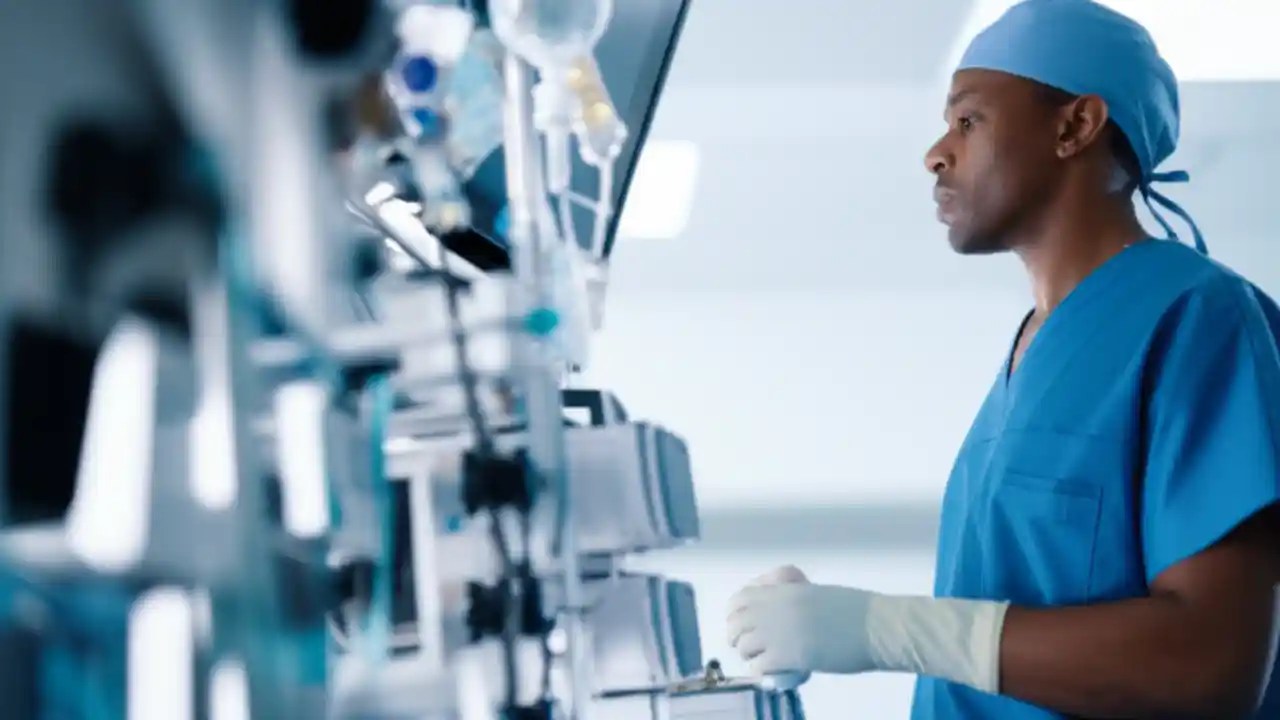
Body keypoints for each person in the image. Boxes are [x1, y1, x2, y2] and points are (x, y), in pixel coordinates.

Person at [724, 1, 1280, 718]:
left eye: (968, 120)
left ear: (1075, 126)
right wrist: (817, 627)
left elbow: (1211, 663)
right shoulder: (1032, 351)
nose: (936, 153)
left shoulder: (1197, 319)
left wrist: (882, 628)